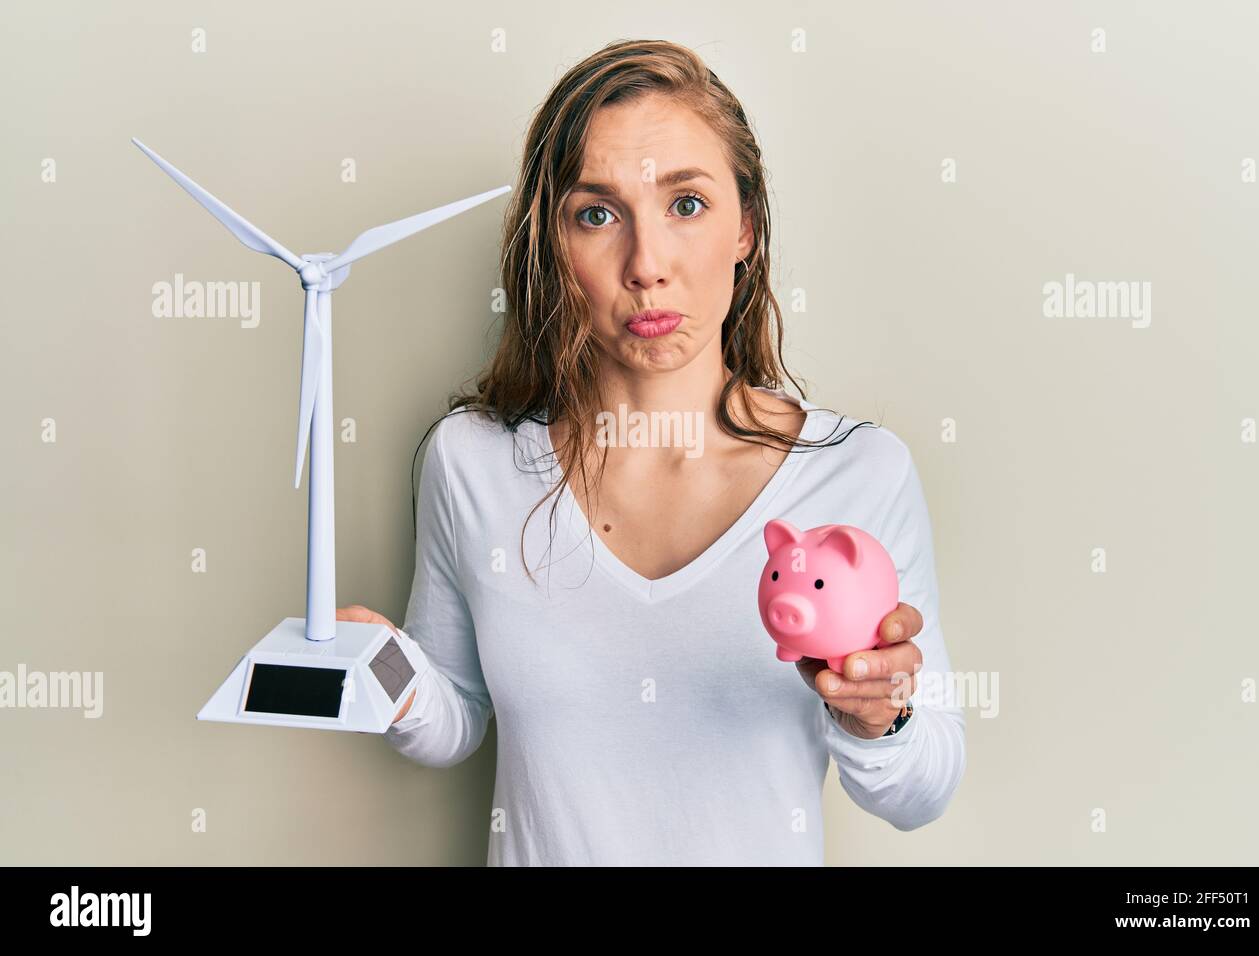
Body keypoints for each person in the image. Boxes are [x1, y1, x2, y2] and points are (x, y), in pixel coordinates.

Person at [339, 38, 966, 865]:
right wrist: (377, 668)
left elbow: (924, 790)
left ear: (746, 226)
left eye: (686, 204)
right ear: (553, 247)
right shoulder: (473, 462)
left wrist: (879, 716)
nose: (646, 266)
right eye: (596, 214)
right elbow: (452, 717)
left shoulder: (856, 475)